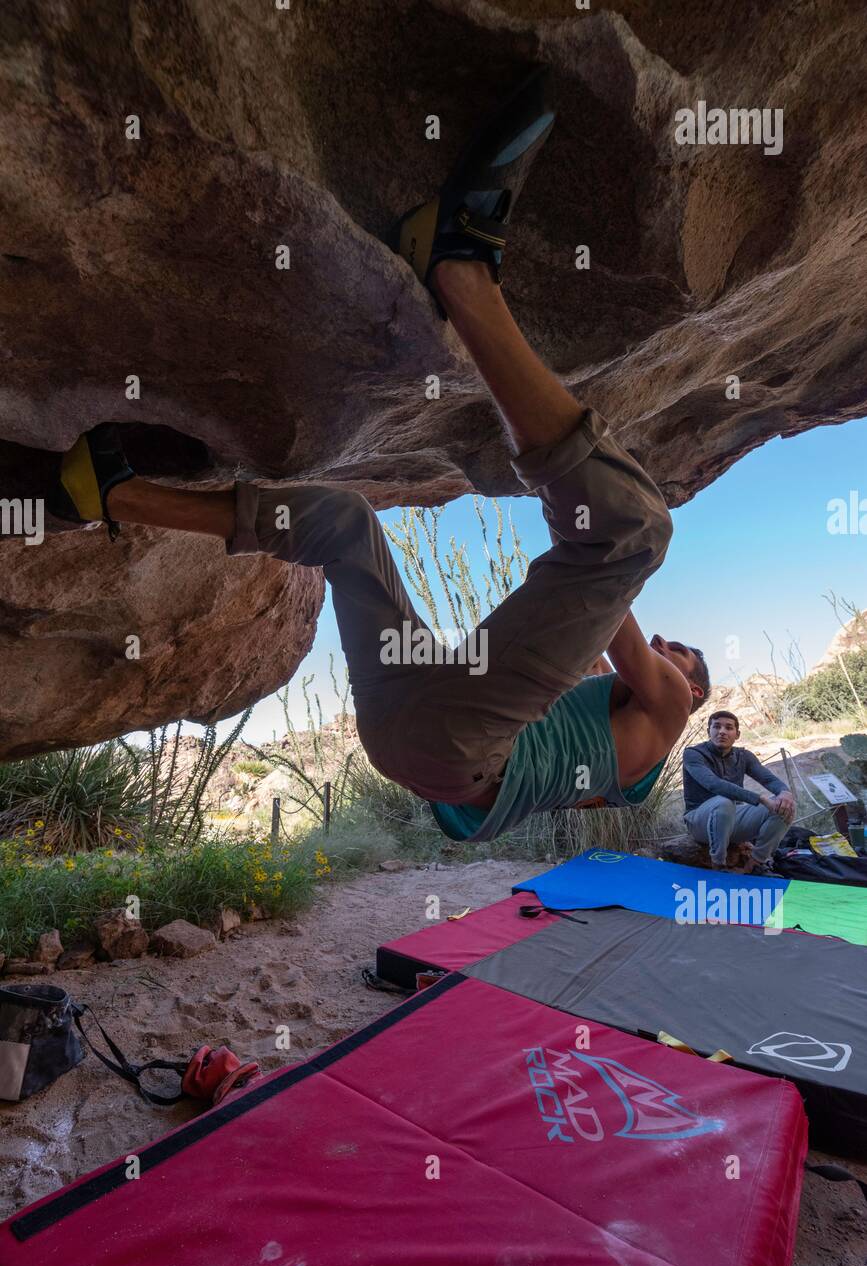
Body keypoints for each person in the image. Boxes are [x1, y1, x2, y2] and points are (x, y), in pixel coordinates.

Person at [45, 68, 711, 844]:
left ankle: (457, 267)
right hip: (416, 730)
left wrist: (570, 520)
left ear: (692, 695)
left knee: (633, 535)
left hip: (456, 750)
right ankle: (111, 494)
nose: (670, 650)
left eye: (685, 658)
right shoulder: (610, 748)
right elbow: (582, 637)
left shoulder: (663, 714)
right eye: (674, 650)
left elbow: (609, 614)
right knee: (343, 523)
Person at [683, 710, 795, 874]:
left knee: (785, 807)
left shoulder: (743, 756)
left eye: (728, 728)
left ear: (737, 734)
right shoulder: (693, 754)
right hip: (699, 821)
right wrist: (761, 799)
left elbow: (768, 779)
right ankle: (719, 865)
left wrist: (785, 792)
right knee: (723, 802)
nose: (722, 731)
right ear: (709, 731)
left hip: (733, 819)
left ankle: (754, 864)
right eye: (716, 727)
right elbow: (714, 784)